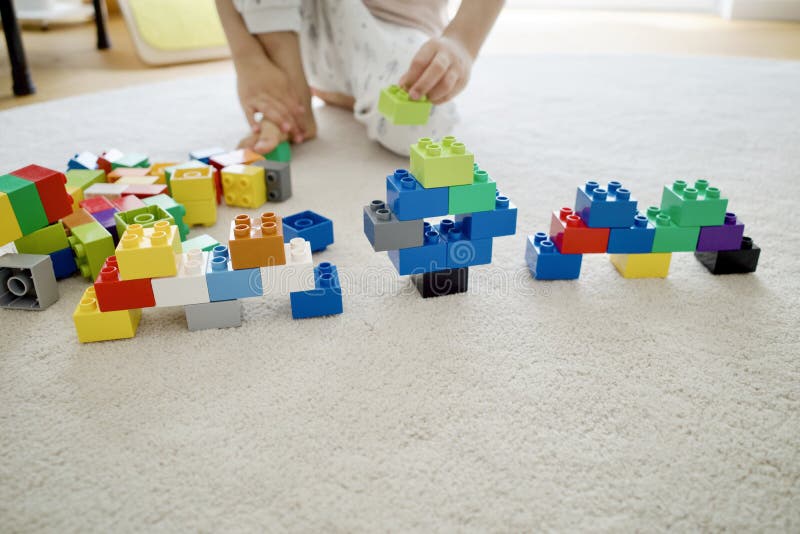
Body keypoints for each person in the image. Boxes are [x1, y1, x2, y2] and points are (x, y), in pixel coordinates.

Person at [216, 0, 504, 156]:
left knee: (423, 127)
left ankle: (338, 94)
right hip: (293, 30)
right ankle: (291, 95)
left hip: (392, 28)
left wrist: (462, 43)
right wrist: (248, 57)